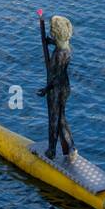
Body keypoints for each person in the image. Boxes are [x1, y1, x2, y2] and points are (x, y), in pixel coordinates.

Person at [37, 12, 77, 162]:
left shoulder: (58, 55)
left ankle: (52, 150)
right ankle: (72, 148)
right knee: (61, 119)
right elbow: (60, 43)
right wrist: (50, 42)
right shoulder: (66, 49)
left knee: (54, 119)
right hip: (65, 87)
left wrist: (45, 90)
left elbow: (56, 77)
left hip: (56, 89)